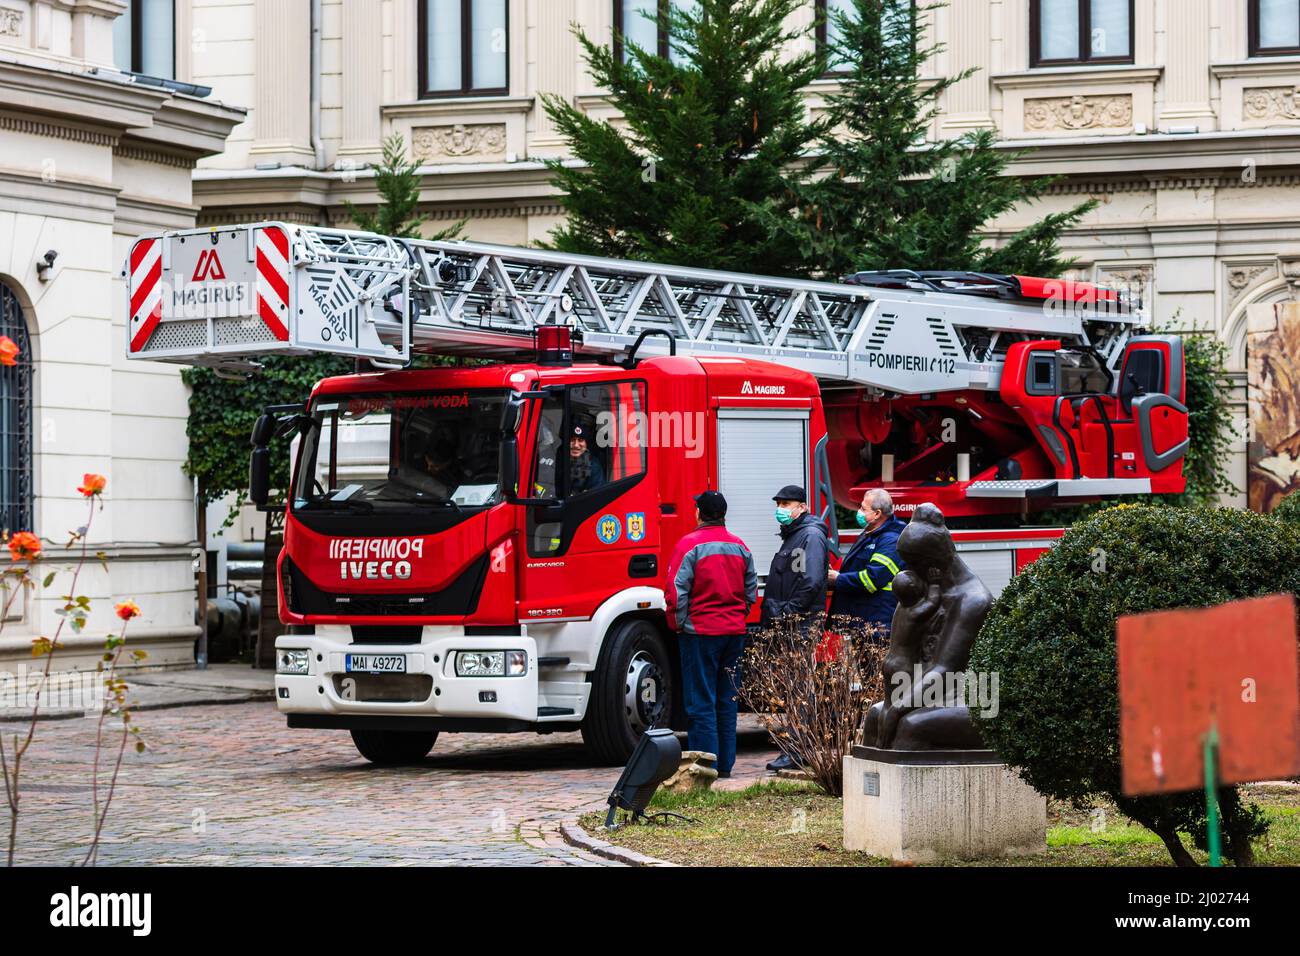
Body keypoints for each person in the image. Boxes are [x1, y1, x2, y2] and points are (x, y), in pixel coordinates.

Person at [663, 490, 757, 778]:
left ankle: (705, 768)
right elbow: (751, 591)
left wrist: (678, 624)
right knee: (726, 700)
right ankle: (725, 765)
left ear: (699, 513)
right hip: (733, 633)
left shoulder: (689, 545)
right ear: (723, 514)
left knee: (701, 701)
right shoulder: (740, 546)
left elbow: (676, 593)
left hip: (700, 633)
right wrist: (737, 617)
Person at [760, 484, 831, 772]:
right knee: (794, 687)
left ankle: (799, 750)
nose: (781, 508)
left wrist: (788, 612)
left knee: (800, 687)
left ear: (802, 507)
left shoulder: (809, 536)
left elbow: (812, 580)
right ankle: (796, 749)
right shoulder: (795, 536)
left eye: (786, 503)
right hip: (792, 622)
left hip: (799, 623)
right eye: (779, 503)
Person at [827, 487, 906, 636]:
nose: (859, 512)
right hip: (864, 619)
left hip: (877, 625)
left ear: (877, 514)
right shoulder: (871, 533)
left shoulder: (890, 540)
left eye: (863, 508)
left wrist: (838, 579)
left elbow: (873, 579)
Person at [568, 421, 605, 493]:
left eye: (580, 440)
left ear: (586, 444)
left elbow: (598, 494)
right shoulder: (557, 459)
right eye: (572, 440)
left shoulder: (594, 466)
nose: (576, 445)